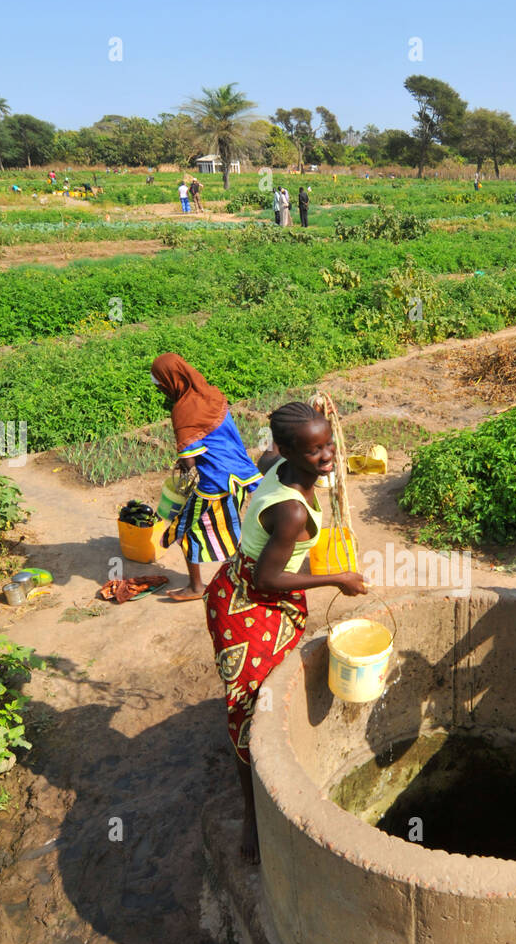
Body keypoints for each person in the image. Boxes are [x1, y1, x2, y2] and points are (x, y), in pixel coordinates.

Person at [205, 402, 367, 860]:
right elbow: (267, 579)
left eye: (327, 443)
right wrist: (337, 578)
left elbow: (262, 459)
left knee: (270, 694)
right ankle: (253, 820)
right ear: (289, 451)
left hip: (244, 588)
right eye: (313, 450)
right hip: (249, 604)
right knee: (246, 710)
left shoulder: (276, 464)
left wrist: (301, 438)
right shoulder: (292, 512)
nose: (326, 456)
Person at [150, 353, 262, 601]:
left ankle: (197, 587)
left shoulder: (183, 411)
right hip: (240, 475)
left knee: (185, 532)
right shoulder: (212, 394)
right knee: (230, 527)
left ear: (170, 381)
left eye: (160, 384)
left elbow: (190, 462)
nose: (161, 390)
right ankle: (241, 575)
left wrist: (185, 461)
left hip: (216, 482)